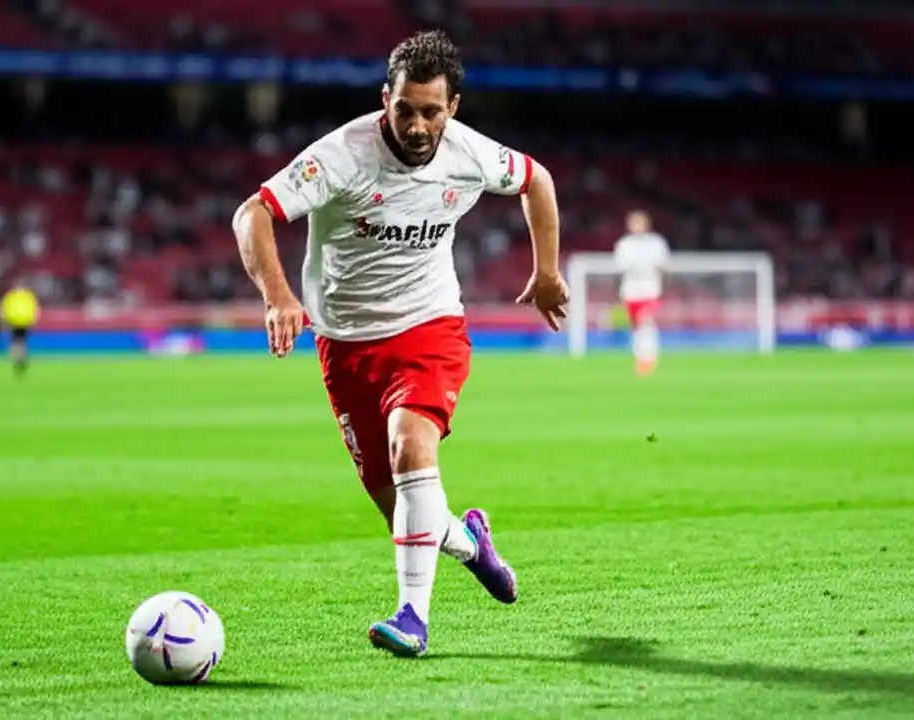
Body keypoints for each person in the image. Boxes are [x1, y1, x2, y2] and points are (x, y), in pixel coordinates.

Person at [231, 30, 568, 657]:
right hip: (344, 345)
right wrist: (279, 296)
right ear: (385, 99)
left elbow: (536, 179)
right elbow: (252, 213)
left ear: (453, 109)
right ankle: (472, 544)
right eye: (404, 109)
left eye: (431, 112)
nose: (417, 125)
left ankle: (413, 619)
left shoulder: (469, 152)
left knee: (411, 444)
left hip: (428, 327)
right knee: (404, 512)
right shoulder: (342, 156)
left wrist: (546, 271)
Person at [612, 210, 670, 376]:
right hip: (630, 290)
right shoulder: (624, 244)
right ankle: (640, 357)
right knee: (636, 326)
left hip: (650, 289)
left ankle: (649, 358)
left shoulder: (656, 243)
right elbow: (619, 268)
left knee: (646, 321)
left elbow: (663, 265)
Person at [0, 284, 39, 375]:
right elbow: (35, 308)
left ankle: (18, 359)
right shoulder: (26, 296)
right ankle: (20, 358)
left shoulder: (11, 296)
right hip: (21, 321)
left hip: (15, 321)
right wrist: (33, 318)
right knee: (21, 341)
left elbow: (3, 308)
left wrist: (4, 318)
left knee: (17, 341)